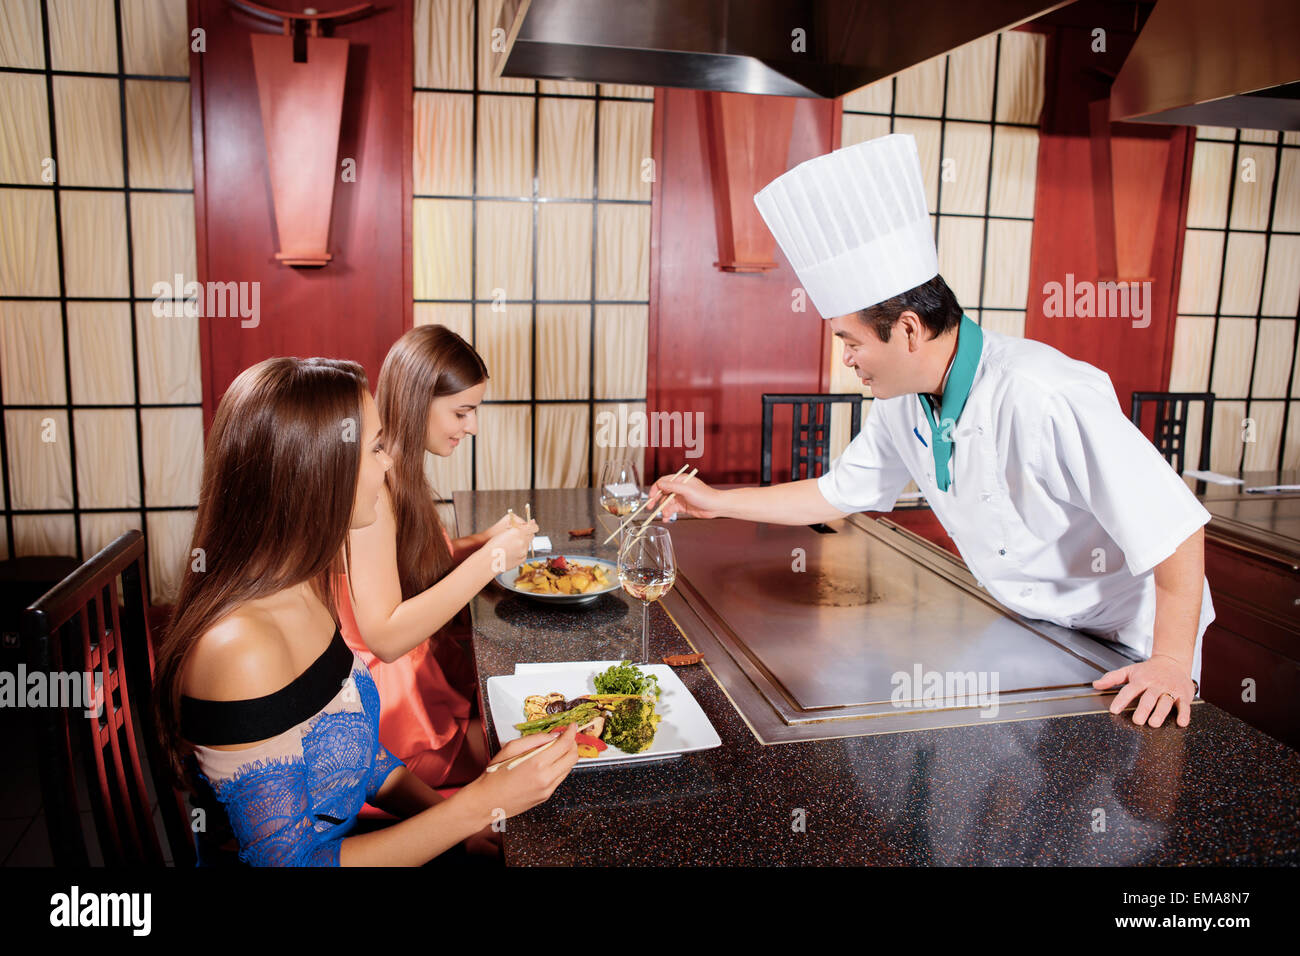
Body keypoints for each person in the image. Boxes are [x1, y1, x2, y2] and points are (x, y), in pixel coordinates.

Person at [647, 133, 1214, 731]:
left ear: (909, 330)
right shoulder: (904, 402)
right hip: (1036, 625)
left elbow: (1175, 529)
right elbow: (836, 493)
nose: (847, 360)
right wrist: (715, 500)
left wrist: (1172, 659)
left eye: (851, 341)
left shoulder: (1044, 394)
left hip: (1136, 640)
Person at [153, 357, 575, 866]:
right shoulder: (240, 651)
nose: (390, 463)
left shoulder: (305, 585)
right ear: (317, 469)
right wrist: (475, 806)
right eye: (375, 447)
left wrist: (464, 823)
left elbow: (363, 757)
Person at [339, 325, 537, 793]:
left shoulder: (395, 468)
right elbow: (385, 637)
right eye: (462, 412)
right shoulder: (374, 489)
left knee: (524, 715)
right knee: (528, 749)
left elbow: (405, 567)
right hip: (384, 712)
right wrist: (488, 560)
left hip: (414, 680)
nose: (471, 426)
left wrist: (481, 542)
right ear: (416, 401)